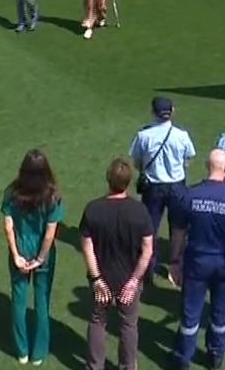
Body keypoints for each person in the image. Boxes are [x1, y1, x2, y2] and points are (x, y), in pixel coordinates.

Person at [167, 150, 225, 370]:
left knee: (190, 312)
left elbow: (178, 233)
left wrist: (173, 261)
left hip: (196, 262)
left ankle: (183, 358)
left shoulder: (190, 195)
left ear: (206, 166)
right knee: (220, 311)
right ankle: (216, 355)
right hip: (224, 264)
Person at [79, 158, 153, 370]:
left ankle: (95, 367)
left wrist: (97, 279)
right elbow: (147, 250)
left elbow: (86, 245)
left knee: (97, 320)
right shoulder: (139, 211)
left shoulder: (93, 209)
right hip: (128, 277)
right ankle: (127, 366)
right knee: (129, 324)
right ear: (128, 182)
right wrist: (133, 281)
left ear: (108, 180)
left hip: (102, 277)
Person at [1, 149, 63, 365]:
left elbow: (8, 226)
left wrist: (16, 255)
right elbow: (49, 233)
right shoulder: (52, 196)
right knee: (42, 301)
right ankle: (38, 353)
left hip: (19, 249)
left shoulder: (12, 192)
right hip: (42, 254)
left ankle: (22, 351)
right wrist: (40, 258)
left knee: (18, 300)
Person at [128, 95, 196, 281]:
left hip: (153, 187)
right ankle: (175, 266)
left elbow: (137, 161)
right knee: (178, 227)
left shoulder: (144, 135)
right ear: (172, 111)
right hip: (177, 186)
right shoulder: (181, 135)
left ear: (153, 112)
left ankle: (148, 266)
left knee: (150, 227)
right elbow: (189, 157)